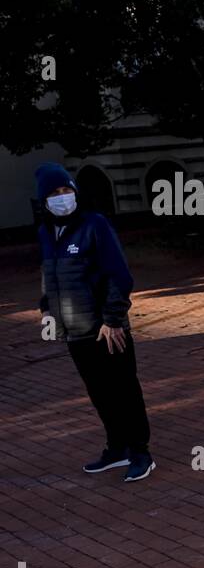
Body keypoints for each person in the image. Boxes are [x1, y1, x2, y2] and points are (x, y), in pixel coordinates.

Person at [35, 163, 155, 481]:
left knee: (125, 390)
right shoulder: (46, 232)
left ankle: (141, 452)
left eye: (66, 191)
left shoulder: (94, 224)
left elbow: (119, 274)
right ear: (44, 200)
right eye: (55, 193)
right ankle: (117, 448)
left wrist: (113, 319)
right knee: (99, 392)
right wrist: (47, 309)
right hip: (74, 329)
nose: (63, 198)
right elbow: (50, 276)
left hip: (107, 327)